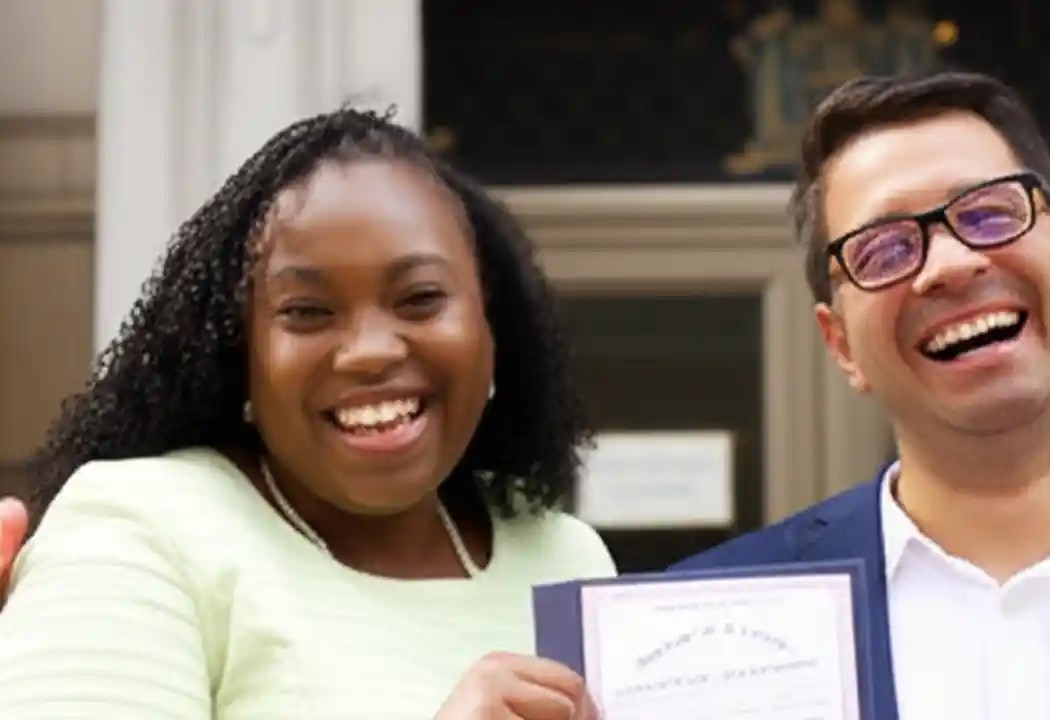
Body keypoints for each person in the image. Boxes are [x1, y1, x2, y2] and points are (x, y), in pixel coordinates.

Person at [672, 72, 1050, 719]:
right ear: (842, 344)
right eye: (885, 250)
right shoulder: (707, 631)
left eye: (989, 214)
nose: (952, 265)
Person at [0, 108, 613, 718]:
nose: (370, 351)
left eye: (421, 298)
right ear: (241, 351)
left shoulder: (563, 555)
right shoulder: (139, 527)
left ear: (491, 327)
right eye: (307, 312)